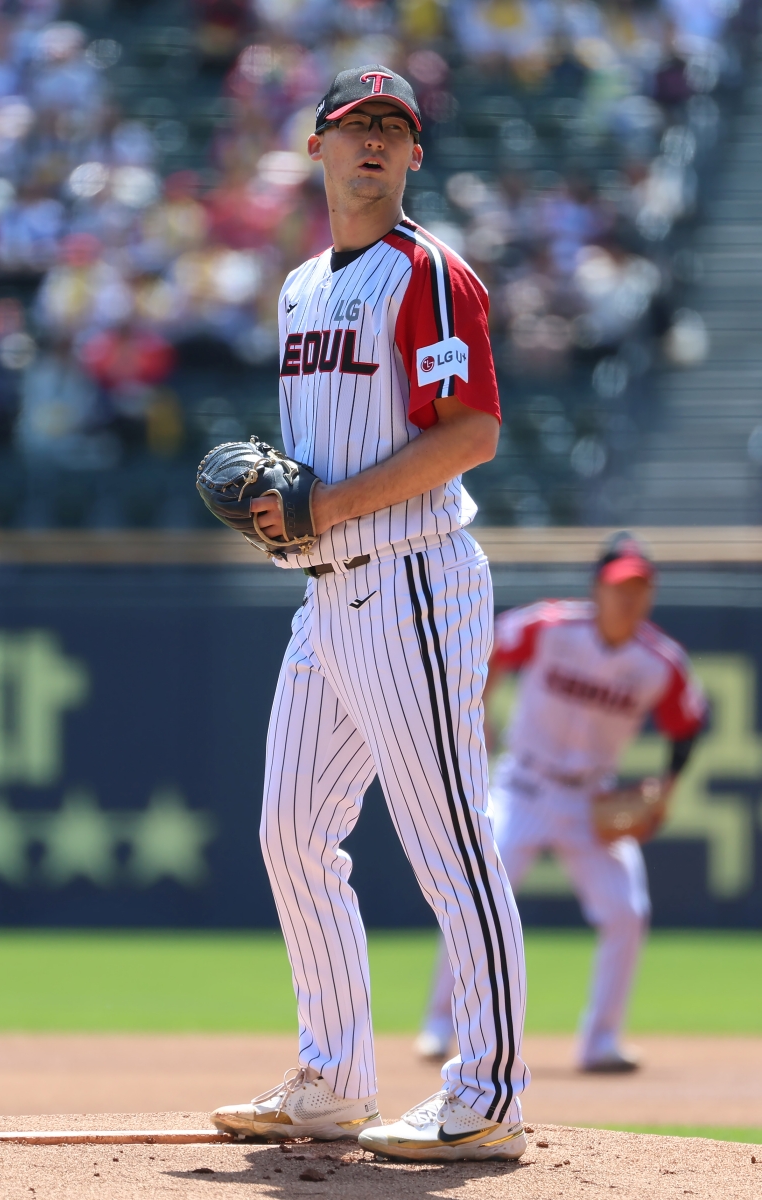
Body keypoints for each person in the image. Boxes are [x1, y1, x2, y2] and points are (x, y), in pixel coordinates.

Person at [209, 65, 530, 1162]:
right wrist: (284, 513)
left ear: (414, 154)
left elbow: (470, 433)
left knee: (449, 841)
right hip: (326, 594)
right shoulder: (301, 287)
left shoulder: (428, 274)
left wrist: (327, 505)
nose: (374, 143)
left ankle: (488, 1094)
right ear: (318, 147)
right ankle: (332, 1080)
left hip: (412, 581)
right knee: (292, 832)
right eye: (355, 127)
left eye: (394, 128)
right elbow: (318, 466)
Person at [416, 532, 707, 1072]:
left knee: (627, 912)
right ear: (598, 588)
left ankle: (601, 1042)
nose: (629, 599)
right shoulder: (550, 626)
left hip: (592, 799)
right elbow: (485, 647)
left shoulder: (659, 662)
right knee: (478, 895)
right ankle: (439, 1023)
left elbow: (688, 723)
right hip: (523, 785)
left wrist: (664, 793)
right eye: (620, 587)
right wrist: (481, 711)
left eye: (640, 589)